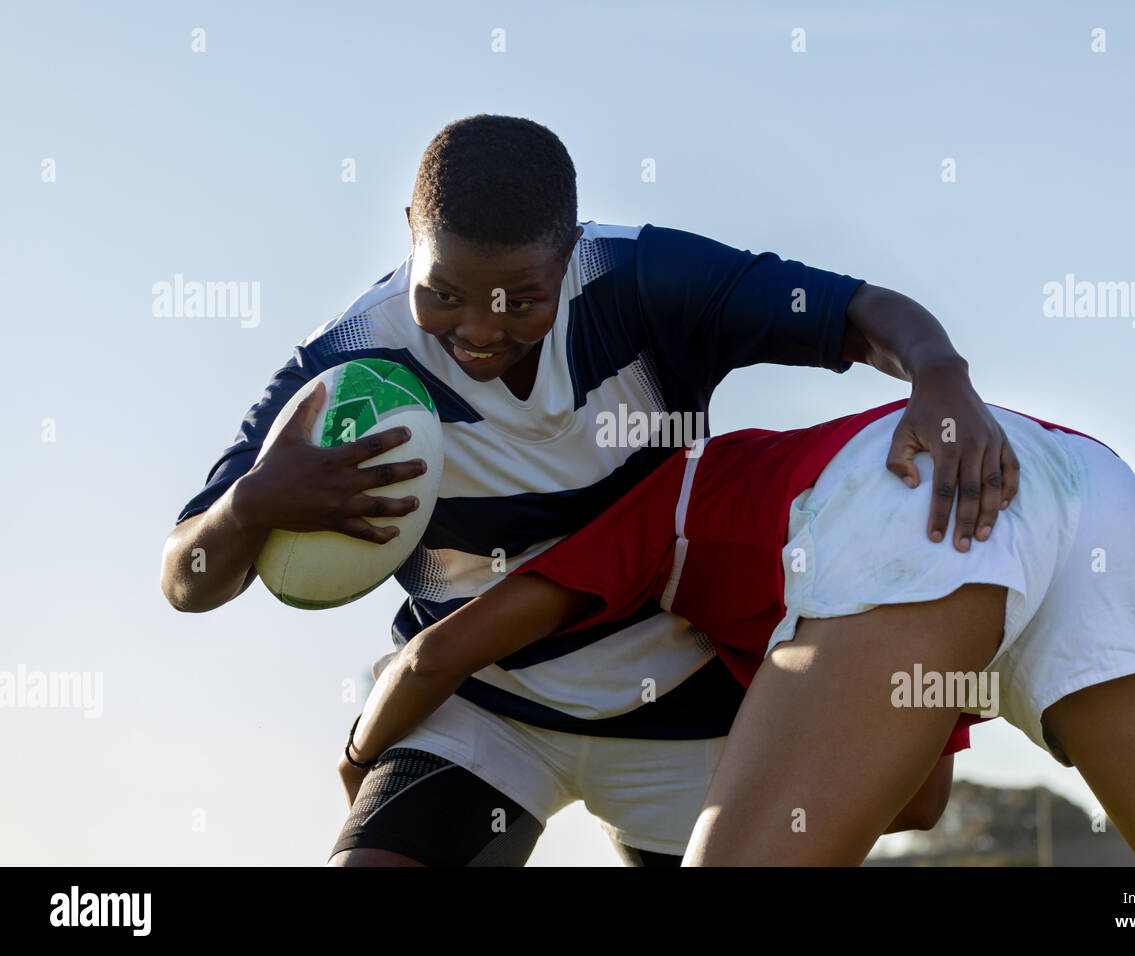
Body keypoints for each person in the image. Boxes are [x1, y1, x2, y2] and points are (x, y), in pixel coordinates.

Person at [161, 113, 1018, 867]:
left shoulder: (640, 281)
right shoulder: (348, 360)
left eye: (520, 300)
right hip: (479, 708)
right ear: (411, 231)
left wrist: (939, 374)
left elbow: (856, 308)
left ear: (570, 253)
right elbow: (187, 578)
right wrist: (252, 505)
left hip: (683, 710)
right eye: (444, 293)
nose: (480, 330)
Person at [340, 399, 1135, 865]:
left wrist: (360, 761)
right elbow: (919, 800)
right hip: (1090, 485)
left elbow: (438, 652)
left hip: (918, 485)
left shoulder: (669, 493)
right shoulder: (801, 634)